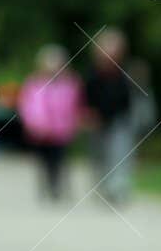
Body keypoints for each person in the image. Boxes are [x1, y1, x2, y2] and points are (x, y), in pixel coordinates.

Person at [16, 45, 81, 201]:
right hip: (41, 131)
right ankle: (46, 187)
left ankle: (57, 187)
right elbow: (27, 106)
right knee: (44, 161)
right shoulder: (34, 84)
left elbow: (74, 107)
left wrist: (72, 124)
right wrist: (33, 124)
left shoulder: (69, 84)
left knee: (59, 160)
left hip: (61, 132)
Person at [83, 28, 138, 205]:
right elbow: (87, 97)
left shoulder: (126, 72)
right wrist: (89, 115)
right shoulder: (92, 74)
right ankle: (102, 188)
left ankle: (118, 188)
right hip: (98, 121)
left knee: (120, 154)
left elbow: (130, 99)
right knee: (99, 157)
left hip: (120, 121)